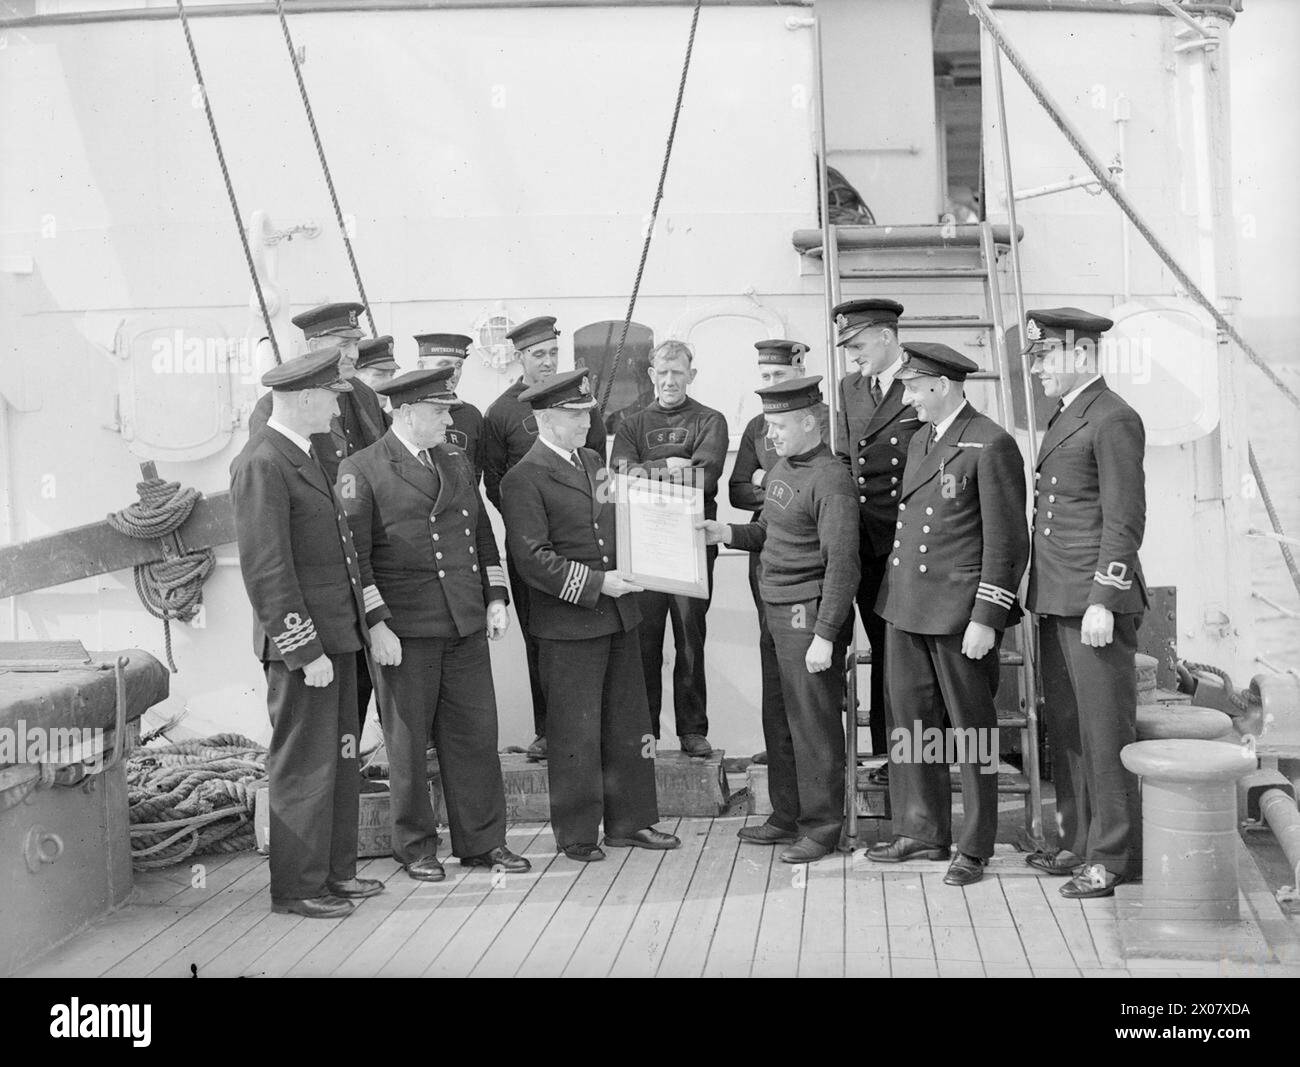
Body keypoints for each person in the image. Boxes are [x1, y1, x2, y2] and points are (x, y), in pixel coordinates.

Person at [339, 367, 529, 882]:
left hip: (463, 622)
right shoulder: (364, 468)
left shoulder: (454, 459)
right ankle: (416, 847)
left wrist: (495, 595)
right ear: (404, 413)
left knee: (474, 737)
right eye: (439, 411)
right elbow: (357, 559)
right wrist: (377, 624)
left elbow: (482, 532)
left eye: (448, 409)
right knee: (407, 743)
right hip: (406, 630)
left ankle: (483, 843)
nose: (450, 419)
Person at [499, 369, 679, 862]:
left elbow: (619, 522)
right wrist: (600, 583)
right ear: (543, 419)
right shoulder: (522, 478)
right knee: (575, 733)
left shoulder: (594, 459)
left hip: (618, 615)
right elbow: (533, 558)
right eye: (574, 416)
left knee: (628, 724)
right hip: (570, 623)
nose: (586, 424)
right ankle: (578, 833)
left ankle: (632, 822)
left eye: (586, 415)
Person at [867, 342, 1029, 888]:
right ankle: (922, 829)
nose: (907, 398)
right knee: (910, 725)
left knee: (971, 733)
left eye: (913, 388)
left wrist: (988, 615)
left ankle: (975, 843)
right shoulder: (921, 440)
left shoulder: (990, 443)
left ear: (940, 386)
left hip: (959, 613)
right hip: (907, 605)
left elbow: (1007, 542)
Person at [229, 347, 383, 919]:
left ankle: (334, 873)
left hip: (337, 640)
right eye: (329, 399)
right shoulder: (262, 462)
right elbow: (267, 568)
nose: (337, 410)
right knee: (304, 765)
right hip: (307, 648)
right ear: (301, 399)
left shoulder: (306, 453)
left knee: (340, 761)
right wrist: (304, 649)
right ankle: (296, 887)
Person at [701, 377, 860, 864]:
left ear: (810, 423)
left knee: (813, 726)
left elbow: (842, 564)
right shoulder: (782, 469)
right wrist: (724, 530)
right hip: (775, 610)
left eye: (778, 425)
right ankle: (787, 815)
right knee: (781, 719)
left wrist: (826, 635)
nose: (770, 436)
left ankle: (821, 827)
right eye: (768, 425)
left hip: (806, 614)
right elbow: (770, 532)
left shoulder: (831, 479)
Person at [1023, 307, 1147, 899]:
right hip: (1058, 598)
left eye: (1046, 357)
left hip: (1093, 604)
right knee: (1069, 730)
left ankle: (1114, 856)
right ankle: (1078, 841)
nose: (1038, 369)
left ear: (1080, 355)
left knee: (1105, 733)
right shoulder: (1067, 413)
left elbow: (1124, 522)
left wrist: (1104, 597)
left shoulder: (1114, 418)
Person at [250, 302, 391, 744]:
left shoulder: (362, 397)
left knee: (361, 678)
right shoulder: (272, 413)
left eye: (354, 343)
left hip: (362, 563)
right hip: (320, 577)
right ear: (314, 347)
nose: (353, 352)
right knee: (315, 717)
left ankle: (349, 770)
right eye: (343, 343)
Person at [482, 316, 607, 761]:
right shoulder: (500, 412)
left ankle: (585, 728)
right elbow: (495, 480)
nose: (549, 361)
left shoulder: (581, 399)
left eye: (553, 352)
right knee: (542, 636)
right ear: (519, 358)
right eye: (539, 355)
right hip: (532, 545)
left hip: (580, 547)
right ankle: (546, 728)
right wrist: (529, 523)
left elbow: (597, 472)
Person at [610, 340, 728, 757]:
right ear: (651, 374)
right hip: (643, 546)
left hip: (691, 547)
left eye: (678, 372)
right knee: (644, 641)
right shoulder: (631, 424)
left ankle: (692, 730)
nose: (670, 380)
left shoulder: (709, 419)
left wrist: (649, 473)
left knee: (690, 640)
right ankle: (646, 733)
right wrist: (670, 467)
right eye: (662, 372)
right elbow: (618, 477)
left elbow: (705, 477)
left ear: (691, 375)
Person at [832, 299, 927, 773]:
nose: (853, 355)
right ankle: (889, 758)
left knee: (908, 658)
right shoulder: (851, 388)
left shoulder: (921, 382)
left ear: (888, 337)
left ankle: (914, 763)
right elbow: (846, 460)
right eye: (848, 346)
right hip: (868, 544)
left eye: (859, 344)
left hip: (912, 543)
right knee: (882, 647)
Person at [728, 339, 810, 764]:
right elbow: (737, 490)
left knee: (808, 670)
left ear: (800, 370)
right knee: (771, 654)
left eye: (779, 375)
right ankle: (780, 757)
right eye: (765, 377)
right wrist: (772, 485)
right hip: (763, 555)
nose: (771, 384)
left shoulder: (819, 421)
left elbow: (817, 481)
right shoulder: (757, 428)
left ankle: (807, 763)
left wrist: (767, 478)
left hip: (807, 562)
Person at [415, 333, 484, 482]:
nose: (454, 373)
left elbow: (475, 476)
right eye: (444, 364)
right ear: (421, 366)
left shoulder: (471, 416)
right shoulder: (399, 418)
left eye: (458, 365)